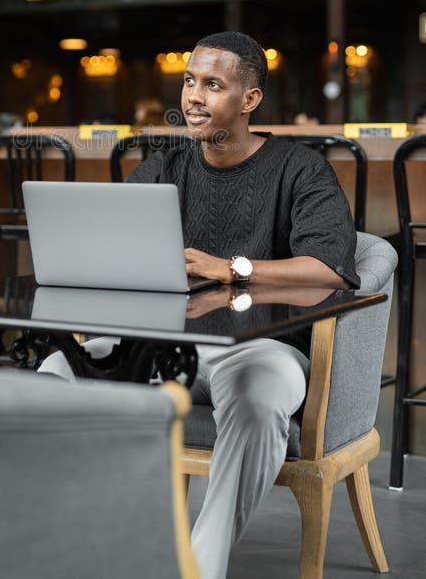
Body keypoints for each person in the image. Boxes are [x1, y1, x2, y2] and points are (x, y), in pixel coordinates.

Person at [40, 30, 358, 579]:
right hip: (164, 343)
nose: (193, 97)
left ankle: (196, 568)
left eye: (213, 85)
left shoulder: (300, 168)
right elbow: (115, 242)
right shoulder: (166, 165)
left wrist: (230, 267)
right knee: (55, 367)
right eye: (190, 82)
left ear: (249, 100)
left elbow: (329, 271)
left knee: (259, 406)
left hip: (262, 348)